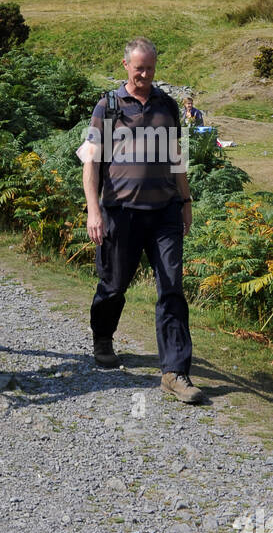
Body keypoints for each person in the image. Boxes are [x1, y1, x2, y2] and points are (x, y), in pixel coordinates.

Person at [77, 37, 201, 403]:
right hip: (120, 212)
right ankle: (103, 338)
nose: (144, 74)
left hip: (164, 213)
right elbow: (90, 164)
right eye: (138, 67)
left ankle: (175, 371)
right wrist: (94, 210)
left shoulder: (168, 106)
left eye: (150, 67)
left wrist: (186, 200)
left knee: (172, 289)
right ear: (125, 65)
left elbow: (178, 156)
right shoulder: (108, 106)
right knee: (113, 286)